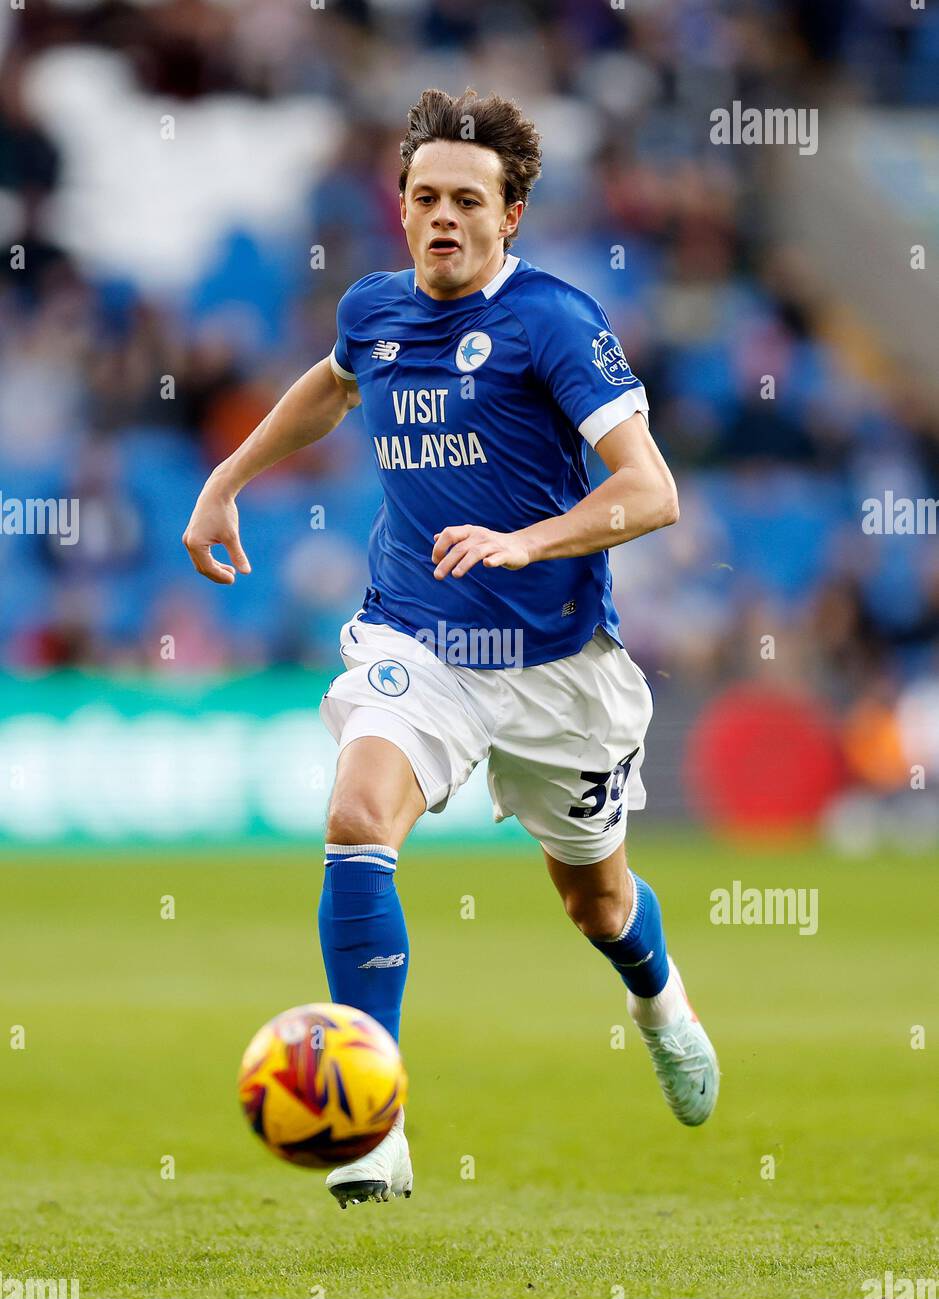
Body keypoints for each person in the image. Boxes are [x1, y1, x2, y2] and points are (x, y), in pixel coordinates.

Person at [183, 87, 720, 1209]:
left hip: (558, 667)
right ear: (402, 205)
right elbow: (332, 386)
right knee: (355, 818)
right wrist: (228, 478)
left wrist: (529, 542)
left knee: (598, 905)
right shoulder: (376, 309)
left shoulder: (555, 322)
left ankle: (661, 1003)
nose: (442, 217)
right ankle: (374, 1124)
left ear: (511, 213)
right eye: (424, 196)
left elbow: (650, 490)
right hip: (416, 638)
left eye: (467, 200)